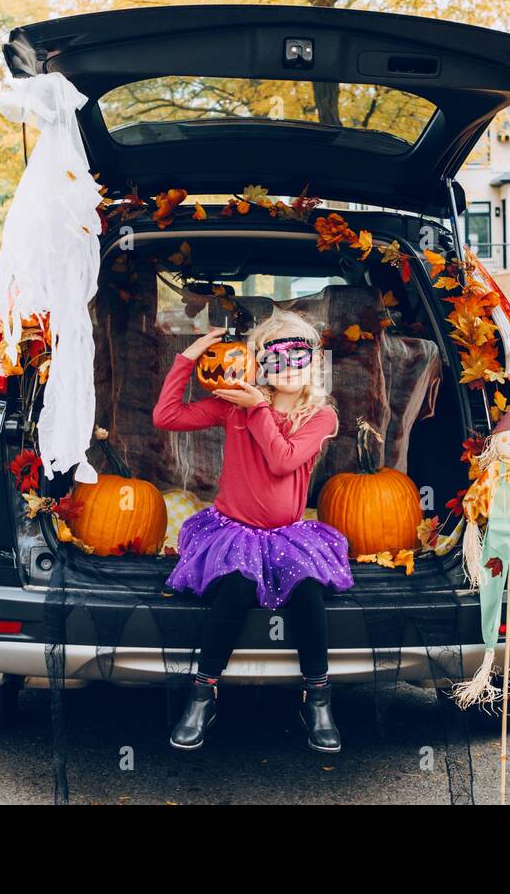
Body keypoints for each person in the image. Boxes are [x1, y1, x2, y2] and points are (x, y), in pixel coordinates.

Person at [151, 309, 352, 752]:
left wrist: (258, 408)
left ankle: (317, 698)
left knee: (307, 593)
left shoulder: (321, 417)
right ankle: (202, 694)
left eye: (300, 353)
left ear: (315, 362)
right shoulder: (235, 406)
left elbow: (282, 460)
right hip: (233, 530)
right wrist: (189, 356)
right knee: (235, 590)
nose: (290, 365)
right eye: (277, 354)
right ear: (260, 361)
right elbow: (167, 416)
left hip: (287, 535)